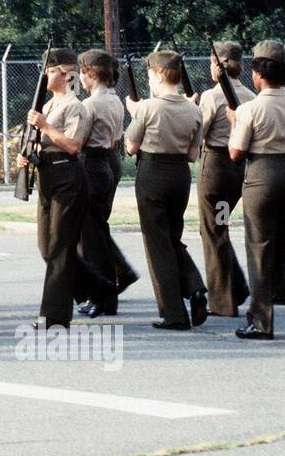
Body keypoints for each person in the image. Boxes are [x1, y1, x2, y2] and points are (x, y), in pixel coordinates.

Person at [228, 41, 285, 340]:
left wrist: (234, 123)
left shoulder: (250, 109)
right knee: (279, 243)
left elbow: (236, 153)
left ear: (257, 73)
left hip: (261, 176)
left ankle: (261, 321)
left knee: (259, 248)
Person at [124, 51, 208, 330]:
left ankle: (174, 313)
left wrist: (134, 115)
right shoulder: (194, 110)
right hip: (180, 175)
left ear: (159, 75)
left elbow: (131, 147)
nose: (149, 80)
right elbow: (193, 155)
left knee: (158, 245)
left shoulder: (148, 107)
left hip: (153, 173)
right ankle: (194, 286)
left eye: (150, 75)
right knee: (172, 238)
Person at [21, 48, 91, 329]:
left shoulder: (75, 105)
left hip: (66, 175)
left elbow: (74, 146)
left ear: (67, 74)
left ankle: (54, 316)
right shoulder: (48, 104)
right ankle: (97, 287)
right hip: (46, 174)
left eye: (50, 71)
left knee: (60, 248)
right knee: (46, 246)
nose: (45, 75)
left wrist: (46, 127)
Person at [76, 49, 138, 318]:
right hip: (109, 161)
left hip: (91, 164)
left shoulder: (90, 105)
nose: (79, 77)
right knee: (98, 229)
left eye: (81, 72)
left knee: (91, 235)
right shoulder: (114, 100)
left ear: (91, 73)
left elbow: (77, 141)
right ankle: (118, 276)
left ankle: (102, 293)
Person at [196, 41, 253, 317]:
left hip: (216, 166)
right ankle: (238, 286)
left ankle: (222, 301)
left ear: (218, 65)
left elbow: (200, 132)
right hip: (239, 169)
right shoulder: (251, 95)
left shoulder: (212, 96)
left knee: (214, 230)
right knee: (221, 224)